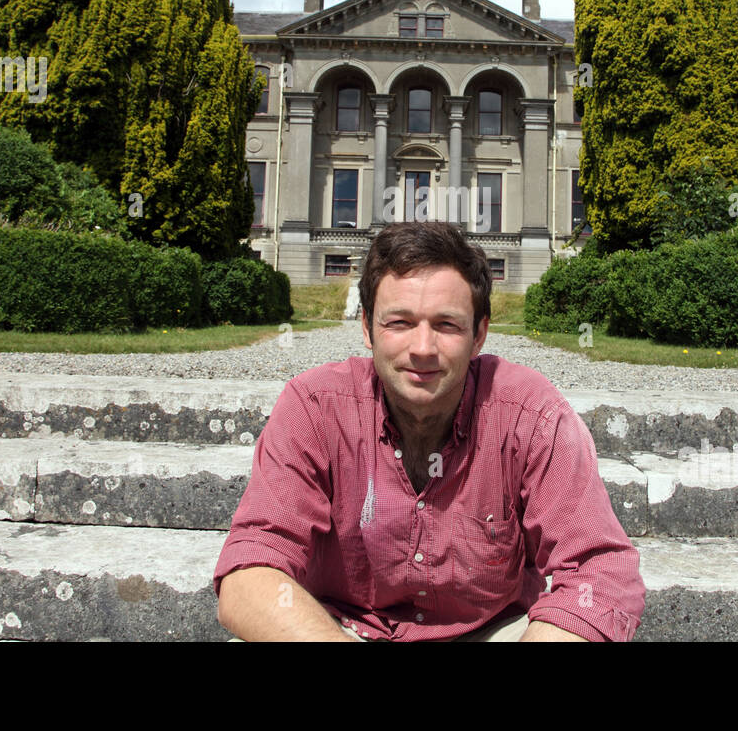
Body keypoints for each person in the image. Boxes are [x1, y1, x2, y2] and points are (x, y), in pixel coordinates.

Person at [213, 220, 644, 641]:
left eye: (446, 325)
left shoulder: (531, 416)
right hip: (341, 629)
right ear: (366, 328)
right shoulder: (313, 409)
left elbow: (600, 573)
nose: (422, 349)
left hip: (493, 631)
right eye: (399, 323)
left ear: (479, 335)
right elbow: (249, 574)